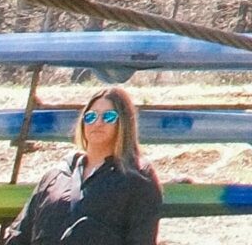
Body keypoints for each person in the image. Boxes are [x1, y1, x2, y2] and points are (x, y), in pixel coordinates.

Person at [10, 88, 160, 245]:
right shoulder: (57, 175)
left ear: (124, 123)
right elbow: (19, 233)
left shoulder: (138, 178)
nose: (98, 122)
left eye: (109, 117)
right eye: (91, 116)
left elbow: (141, 239)